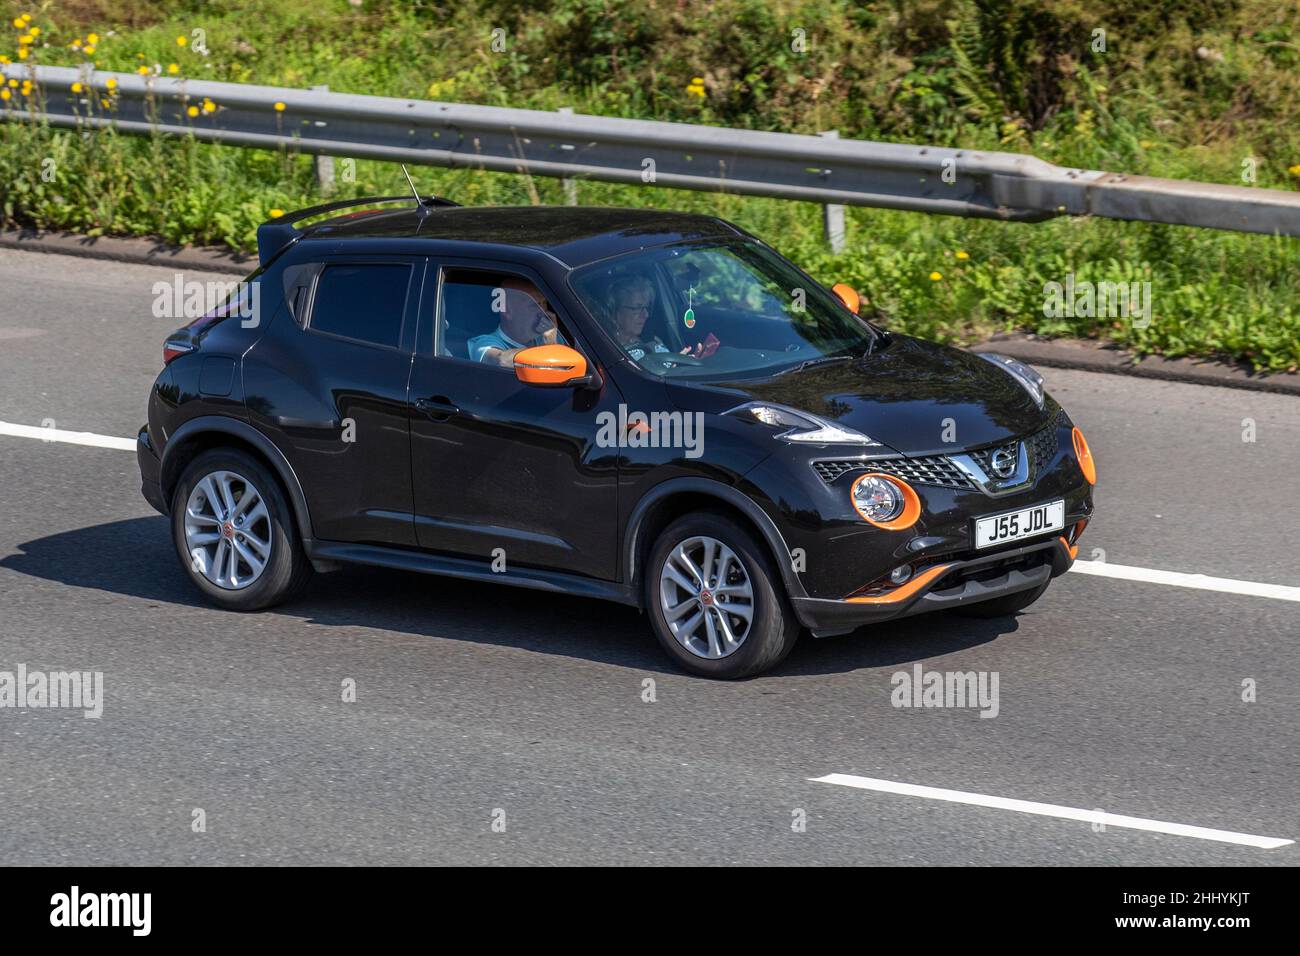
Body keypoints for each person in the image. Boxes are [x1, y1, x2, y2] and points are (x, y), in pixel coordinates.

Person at [468, 278, 560, 367]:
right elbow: (502, 361)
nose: (543, 312)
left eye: (544, 303)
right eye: (534, 305)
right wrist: (549, 349)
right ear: (507, 311)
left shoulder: (549, 334)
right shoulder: (484, 343)